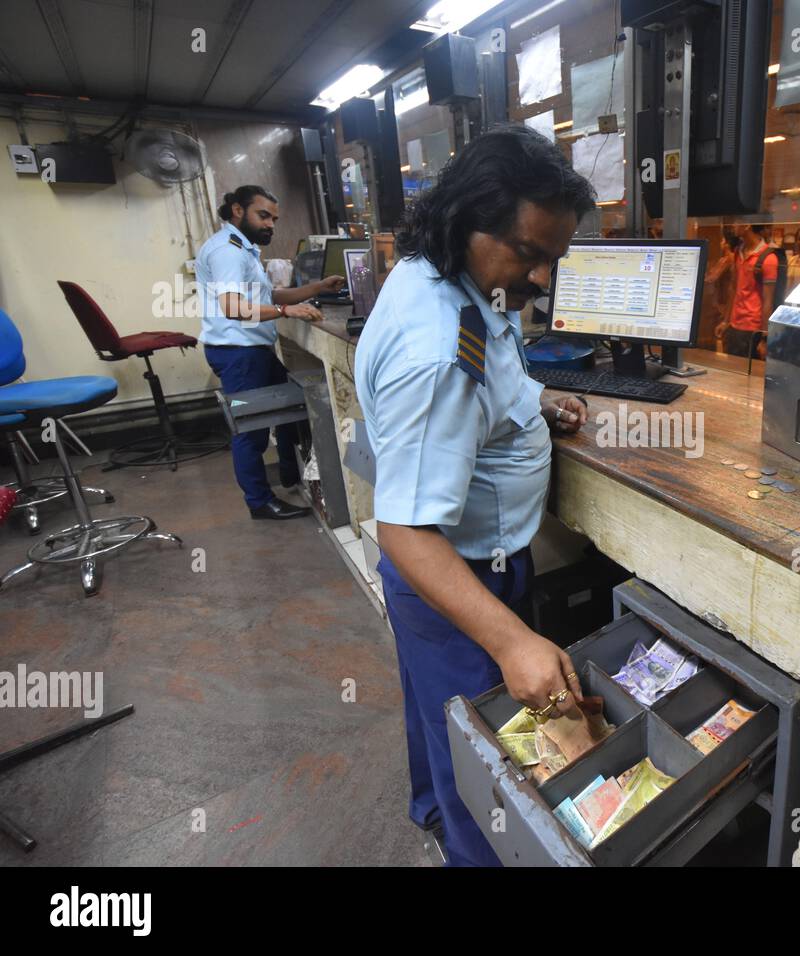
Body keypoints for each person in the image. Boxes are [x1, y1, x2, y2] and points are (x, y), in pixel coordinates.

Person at [354, 126, 594, 867]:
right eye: (530, 254)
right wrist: (511, 639)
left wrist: (530, 400)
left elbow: (485, 363)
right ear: (468, 220)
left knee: (441, 720)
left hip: (448, 578)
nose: (543, 279)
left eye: (554, 257)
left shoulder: (448, 279)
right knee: (485, 769)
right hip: (454, 578)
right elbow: (405, 532)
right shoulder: (436, 354)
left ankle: (429, 806)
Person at [197, 185, 345, 519]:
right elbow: (234, 307)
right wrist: (286, 314)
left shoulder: (244, 249)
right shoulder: (228, 251)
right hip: (239, 352)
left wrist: (317, 288)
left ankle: (293, 474)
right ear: (237, 210)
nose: (270, 224)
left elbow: (271, 298)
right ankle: (259, 502)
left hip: (249, 350)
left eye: (274, 219)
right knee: (252, 429)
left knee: (297, 402)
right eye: (263, 215)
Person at [722, 220, 779, 358]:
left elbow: (768, 301)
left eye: (736, 222)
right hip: (735, 326)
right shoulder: (738, 252)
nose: (733, 226)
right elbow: (734, 288)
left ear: (747, 225)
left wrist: (765, 338)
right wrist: (726, 320)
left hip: (753, 329)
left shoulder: (768, 258)